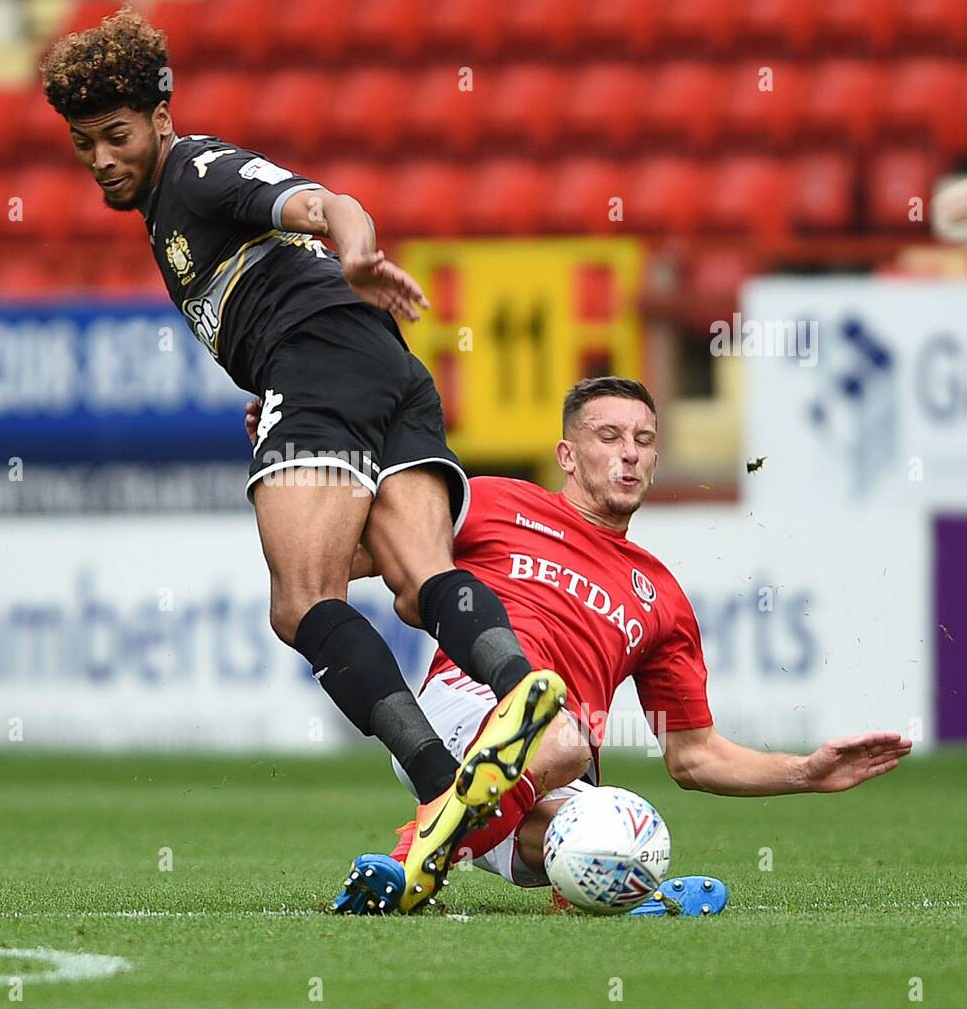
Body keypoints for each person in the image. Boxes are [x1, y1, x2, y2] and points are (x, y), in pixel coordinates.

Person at [41, 6, 565, 909]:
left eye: (116, 135)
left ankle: (440, 787)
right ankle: (519, 686)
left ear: (159, 119)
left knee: (302, 603)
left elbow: (323, 204)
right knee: (415, 578)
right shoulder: (167, 204)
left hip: (323, 358)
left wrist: (354, 251)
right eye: (85, 143)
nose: (101, 159)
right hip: (378, 371)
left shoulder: (196, 168)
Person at [250, 376, 913, 912]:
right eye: (610, 435)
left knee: (627, 838)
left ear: (656, 459)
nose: (630, 451)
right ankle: (411, 858)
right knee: (562, 733)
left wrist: (806, 772)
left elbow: (694, 756)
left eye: (645, 440)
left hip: (545, 770)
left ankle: (579, 880)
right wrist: (305, 473)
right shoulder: (491, 502)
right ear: (568, 455)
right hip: (465, 706)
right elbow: (360, 559)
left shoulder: (663, 597)